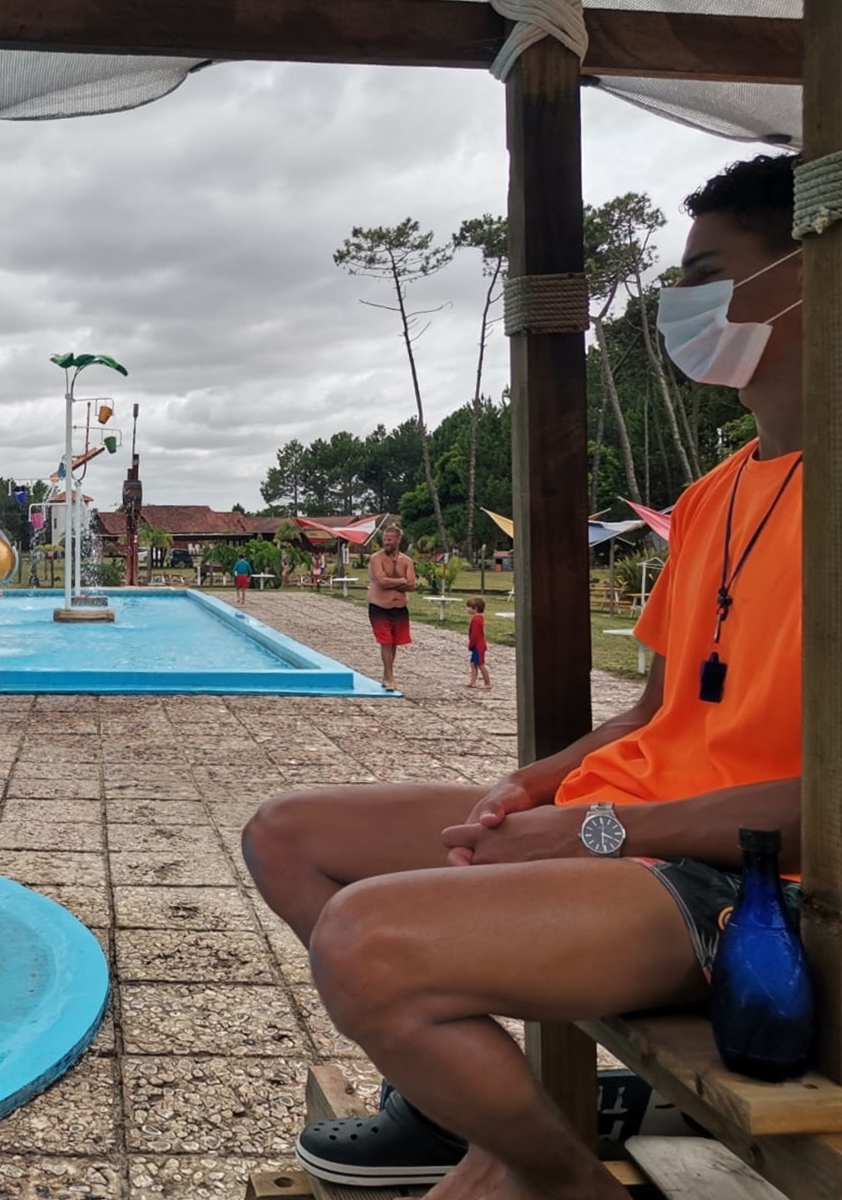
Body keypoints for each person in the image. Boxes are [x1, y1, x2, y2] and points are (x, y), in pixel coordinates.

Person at [243, 155, 804, 1200]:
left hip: (751, 888)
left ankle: (552, 1179)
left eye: (709, 274)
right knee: (288, 837)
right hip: (628, 821)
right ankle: (460, 1107)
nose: (678, 306)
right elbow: (654, 710)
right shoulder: (721, 490)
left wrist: (602, 832)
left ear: (807, 275)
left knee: (368, 945)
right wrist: (536, 786)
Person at [367, 524, 418, 691]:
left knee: (394, 642)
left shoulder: (406, 561)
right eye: (385, 539)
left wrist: (397, 583)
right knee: (386, 641)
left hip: (400, 608)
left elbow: (412, 584)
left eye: (390, 539)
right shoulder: (377, 558)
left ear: (398, 540)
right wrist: (402, 581)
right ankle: (390, 677)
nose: (386, 542)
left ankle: (387, 674)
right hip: (380, 607)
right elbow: (381, 580)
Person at [465, 595, 491, 690]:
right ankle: (473, 682)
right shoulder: (478, 618)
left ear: (475, 608)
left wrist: (471, 644)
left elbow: (475, 635)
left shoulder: (477, 620)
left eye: (469, 607)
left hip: (478, 646)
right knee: (473, 663)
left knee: (480, 664)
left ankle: (487, 683)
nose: (467, 609)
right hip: (478, 645)